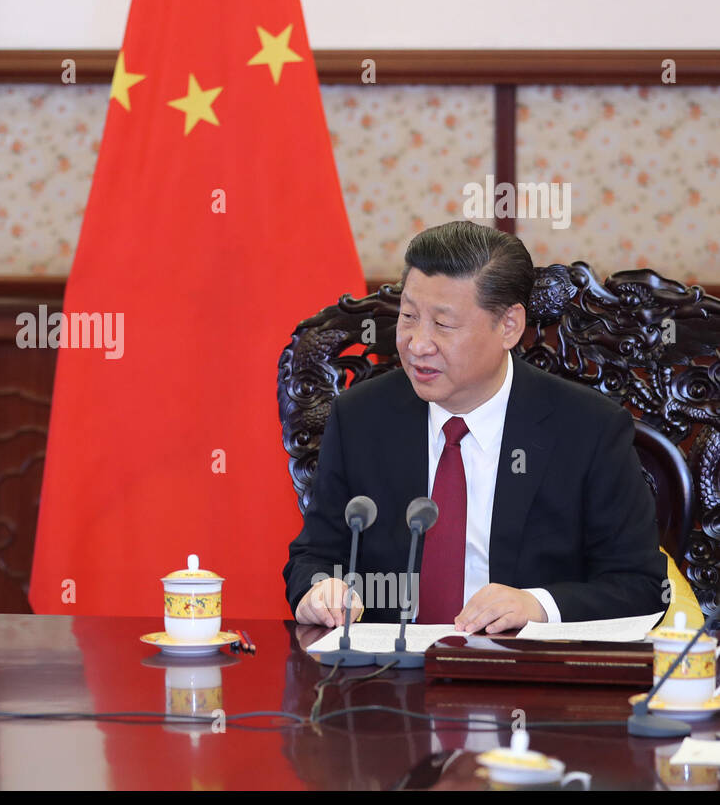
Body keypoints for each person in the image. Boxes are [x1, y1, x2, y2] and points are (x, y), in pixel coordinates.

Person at [283, 221, 666, 632]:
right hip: (388, 664)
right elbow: (315, 555)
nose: (417, 344)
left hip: (523, 663)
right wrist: (320, 590)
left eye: (443, 325)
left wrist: (537, 606)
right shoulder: (361, 416)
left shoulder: (589, 429)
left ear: (509, 326)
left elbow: (641, 586)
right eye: (409, 316)